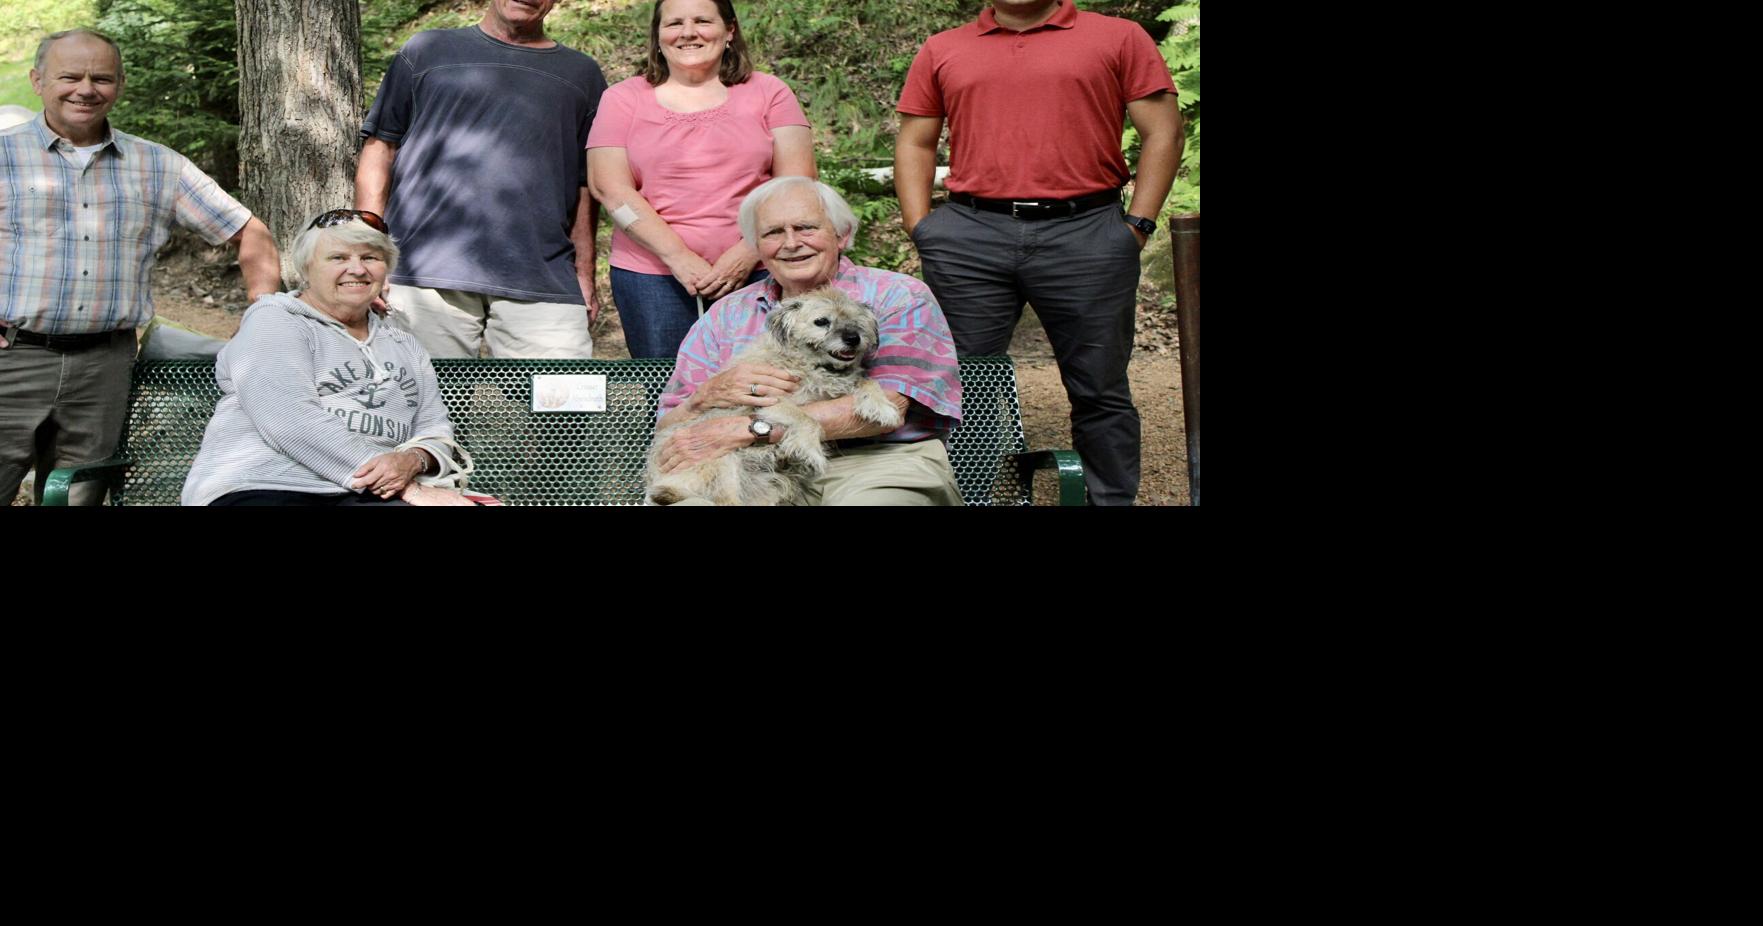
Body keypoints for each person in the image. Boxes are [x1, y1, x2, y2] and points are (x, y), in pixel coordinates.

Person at [894, 0, 1184, 506]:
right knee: (964, 386)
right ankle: (967, 497)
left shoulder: (1118, 37)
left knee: (1099, 390)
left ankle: (1110, 500)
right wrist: (923, 227)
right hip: (969, 237)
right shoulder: (944, 47)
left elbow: (1164, 130)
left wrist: (1137, 225)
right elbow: (916, 142)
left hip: (1087, 232)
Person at [1, 28, 280, 506]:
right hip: (11, 361)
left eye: (101, 78)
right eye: (69, 76)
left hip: (103, 368)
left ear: (120, 85)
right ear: (37, 80)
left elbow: (249, 232)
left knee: (78, 497)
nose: (85, 89)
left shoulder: (158, 166)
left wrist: (263, 317)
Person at [651, 177, 963, 505]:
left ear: (841, 234)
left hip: (877, 462)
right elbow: (670, 424)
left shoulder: (898, 296)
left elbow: (889, 409)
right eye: (773, 232)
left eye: (806, 228)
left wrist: (748, 428)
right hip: (746, 469)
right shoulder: (725, 316)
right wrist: (701, 399)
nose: (791, 243)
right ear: (756, 247)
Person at [356, 0, 607, 359]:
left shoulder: (582, 74)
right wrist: (368, 250)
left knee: (563, 408)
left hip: (544, 275)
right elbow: (381, 147)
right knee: (420, 408)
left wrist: (584, 273)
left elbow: (586, 183)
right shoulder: (426, 50)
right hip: (423, 271)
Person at [181, 210, 474, 507]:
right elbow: (290, 420)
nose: (357, 270)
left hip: (365, 494)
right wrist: (407, 489)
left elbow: (434, 428)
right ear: (307, 267)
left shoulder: (405, 345)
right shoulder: (276, 321)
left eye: (370, 258)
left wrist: (414, 460)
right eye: (339, 258)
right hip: (267, 483)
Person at [587, 0, 814, 359]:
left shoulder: (770, 92)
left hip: (761, 268)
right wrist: (678, 257)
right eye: (674, 23)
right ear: (658, 36)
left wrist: (749, 251)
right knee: (667, 390)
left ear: (729, 31)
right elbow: (609, 187)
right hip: (652, 276)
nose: (688, 32)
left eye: (702, 21)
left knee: (768, 380)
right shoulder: (622, 99)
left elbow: (797, 183)